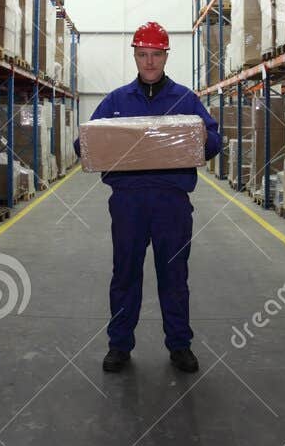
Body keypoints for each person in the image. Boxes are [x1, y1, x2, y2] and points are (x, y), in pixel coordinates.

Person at [78, 21, 223, 374]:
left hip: (171, 202)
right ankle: (119, 345)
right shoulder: (115, 102)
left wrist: (199, 138)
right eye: (142, 55)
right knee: (125, 273)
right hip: (128, 202)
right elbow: (86, 145)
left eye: (155, 55)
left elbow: (215, 141)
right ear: (135, 56)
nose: (149, 62)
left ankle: (179, 344)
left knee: (174, 275)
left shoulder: (186, 100)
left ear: (165, 55)